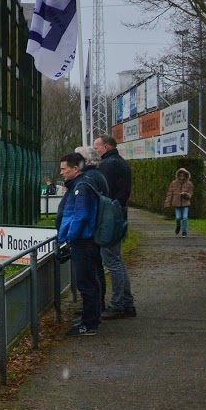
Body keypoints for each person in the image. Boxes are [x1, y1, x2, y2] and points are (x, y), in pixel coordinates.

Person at [57, 151, 108, 336]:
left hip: (84, 242)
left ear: (75, 169)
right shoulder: (81, 184)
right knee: (89, 281)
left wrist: (69, 238)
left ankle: (90, 324)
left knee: (87, 283)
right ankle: (90, 318)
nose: (62, 173)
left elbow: (81, 215)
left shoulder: (82, 186)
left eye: (64, 169)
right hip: (85, 241)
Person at [92, 135, 135, 319]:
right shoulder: (120, 162)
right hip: (119, 214)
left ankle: (118, 304)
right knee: (117, 260)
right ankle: (126, 302)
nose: (95, 151)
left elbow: (104, 193)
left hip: (110, 218)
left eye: (97, 147)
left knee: (113, 262)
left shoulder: (107, 165)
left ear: (107, 147)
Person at [164, 166, 194, 236]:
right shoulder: (173, 183)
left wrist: (185, 194)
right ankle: (178, 226)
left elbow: (191, 194)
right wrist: (167, 203)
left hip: (185, 203)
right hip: (176, 203)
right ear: (178, 176)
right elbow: (169, 193)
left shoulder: (189, 184)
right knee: (178, 217)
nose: (181, 177)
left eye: (183, 176)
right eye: (180, 176)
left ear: (186, 176)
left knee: (185, 217)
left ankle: (184, 231)